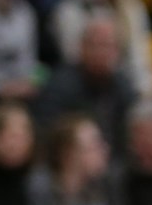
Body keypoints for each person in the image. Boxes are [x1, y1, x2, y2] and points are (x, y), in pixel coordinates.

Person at [37, 15, 140, 157]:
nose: (101, 52)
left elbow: (132, 132)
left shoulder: (123, 85)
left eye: (107, 46)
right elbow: (46, 132)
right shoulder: (60, 85)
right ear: (82, 48)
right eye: (95, 45)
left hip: (115, 163)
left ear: (118, 52)